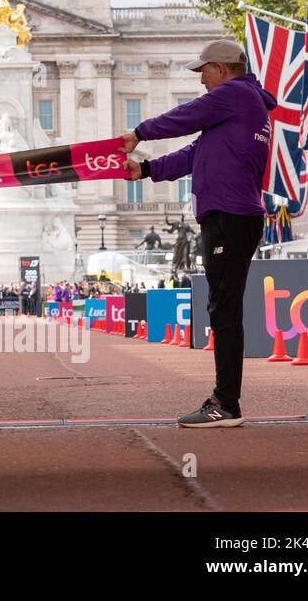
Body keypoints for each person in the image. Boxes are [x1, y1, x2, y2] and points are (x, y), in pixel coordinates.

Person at [119, 40, 270, 429]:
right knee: (223, 307)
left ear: (221, 69)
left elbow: (186, 116)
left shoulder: (235, 94)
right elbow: (193, 154)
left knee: (223, 309)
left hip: (229, 215)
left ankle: (226, 403)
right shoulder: (241, 105)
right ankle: (225, 400)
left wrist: (139, 132)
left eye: (203, 70)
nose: (200, 79)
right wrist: (147, 170)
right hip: (231, 214)